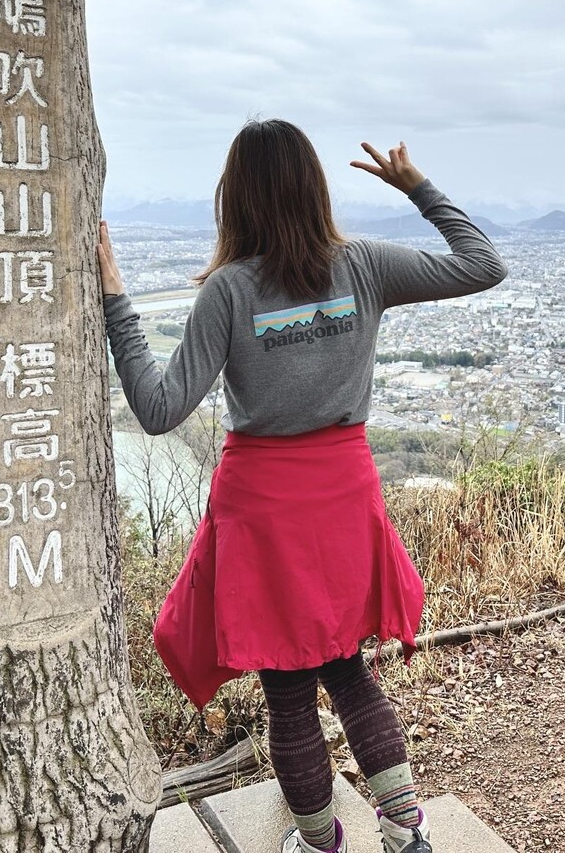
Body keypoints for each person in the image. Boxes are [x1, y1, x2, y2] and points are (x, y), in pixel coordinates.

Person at [98, 119, 507, 853]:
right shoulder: (364, 266)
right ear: (315, 188)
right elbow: (483, 264)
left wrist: (115, 301)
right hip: (344, 494)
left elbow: (158, 410)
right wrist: (417, 188)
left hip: (262, 507)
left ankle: (320, 844)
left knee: (286, 687)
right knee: (348, 672)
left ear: (235, 197)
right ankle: (406, 832)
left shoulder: (229, 292)